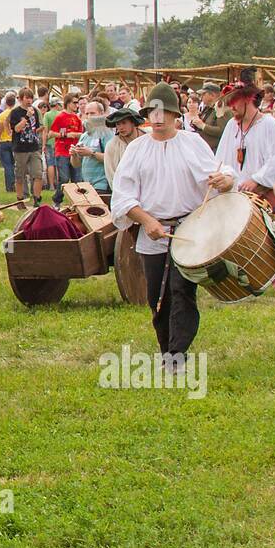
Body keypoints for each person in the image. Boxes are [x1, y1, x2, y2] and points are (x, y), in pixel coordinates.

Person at [110, 84, 234, 359]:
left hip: (189, 231)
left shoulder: (192, 142)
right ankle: (167, 349)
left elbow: (217, 172)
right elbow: (123, 196)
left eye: (163, 111)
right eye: (152, 111)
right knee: (157, 298)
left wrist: (225, 180)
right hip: (153, 234)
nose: (157, 117)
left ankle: (178, 353)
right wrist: (146, 221)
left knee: (182, 291)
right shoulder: (137, 150)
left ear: (174, 115)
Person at [214, 76, 275, 202]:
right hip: (235, 195)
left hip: (263, 197)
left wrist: (257, 179)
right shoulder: (232, 125)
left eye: (233, 102)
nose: (231, 107)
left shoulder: (269, 124)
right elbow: (221, 159)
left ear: (247, 100)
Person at [9, 87, 43, 207]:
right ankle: (20, 200)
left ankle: (37, 199)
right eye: (26, 98)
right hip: (20, 148)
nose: (29, 100)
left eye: (31, 98)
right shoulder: (15, 112)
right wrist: (27, 117)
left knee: (38, 174)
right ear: (21, 99)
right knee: (20, 176)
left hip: (33, 147)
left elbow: (37, 127)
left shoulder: (35, 111)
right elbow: (16, 129)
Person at [70, 100, 112, 197]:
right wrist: (74, 155)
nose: (89, 116)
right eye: (87, 113)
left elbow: (112, 159)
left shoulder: (106, 133)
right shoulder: (85, 135)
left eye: (92, 113)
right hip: (86, 186)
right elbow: (76, 164)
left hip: (102, 186)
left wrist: (91, 153)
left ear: (101, 114)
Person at [49, 93, 83, 206]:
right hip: (62, 150)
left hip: (74, 151)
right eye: (74, 102)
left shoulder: (77, 118)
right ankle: (57, 200)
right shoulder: (60, 116)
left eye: (77, 102)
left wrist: (77, 135)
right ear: (68, 103)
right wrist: (66, 135)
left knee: (77, 179)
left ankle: (77, 202)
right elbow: (51, 133)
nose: (76, 105)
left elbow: (82, 134)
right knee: (64, 178)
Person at [104, 104, 142, 188]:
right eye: (118, 124)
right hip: (126, 191)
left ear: (133, 122)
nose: (121, 127)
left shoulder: (147, 138)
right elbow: (111, 174)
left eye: (124, 123)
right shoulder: (112, 145)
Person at [185, 81, 229, 153]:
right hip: (204, 149)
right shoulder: (208, 108)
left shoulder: (221, 108)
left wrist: (203, 126)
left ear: (212, 95)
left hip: (215, 150)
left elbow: (223, 131)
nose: (201, 97)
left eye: (203, 94)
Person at [0, 91, 17, 191]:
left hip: (4, 141)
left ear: (6, 103)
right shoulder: (17, 113)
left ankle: (9, 186)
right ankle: (17, 184)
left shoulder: (2, 115)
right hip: (15, 141)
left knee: (7, 165)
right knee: (16, 164)